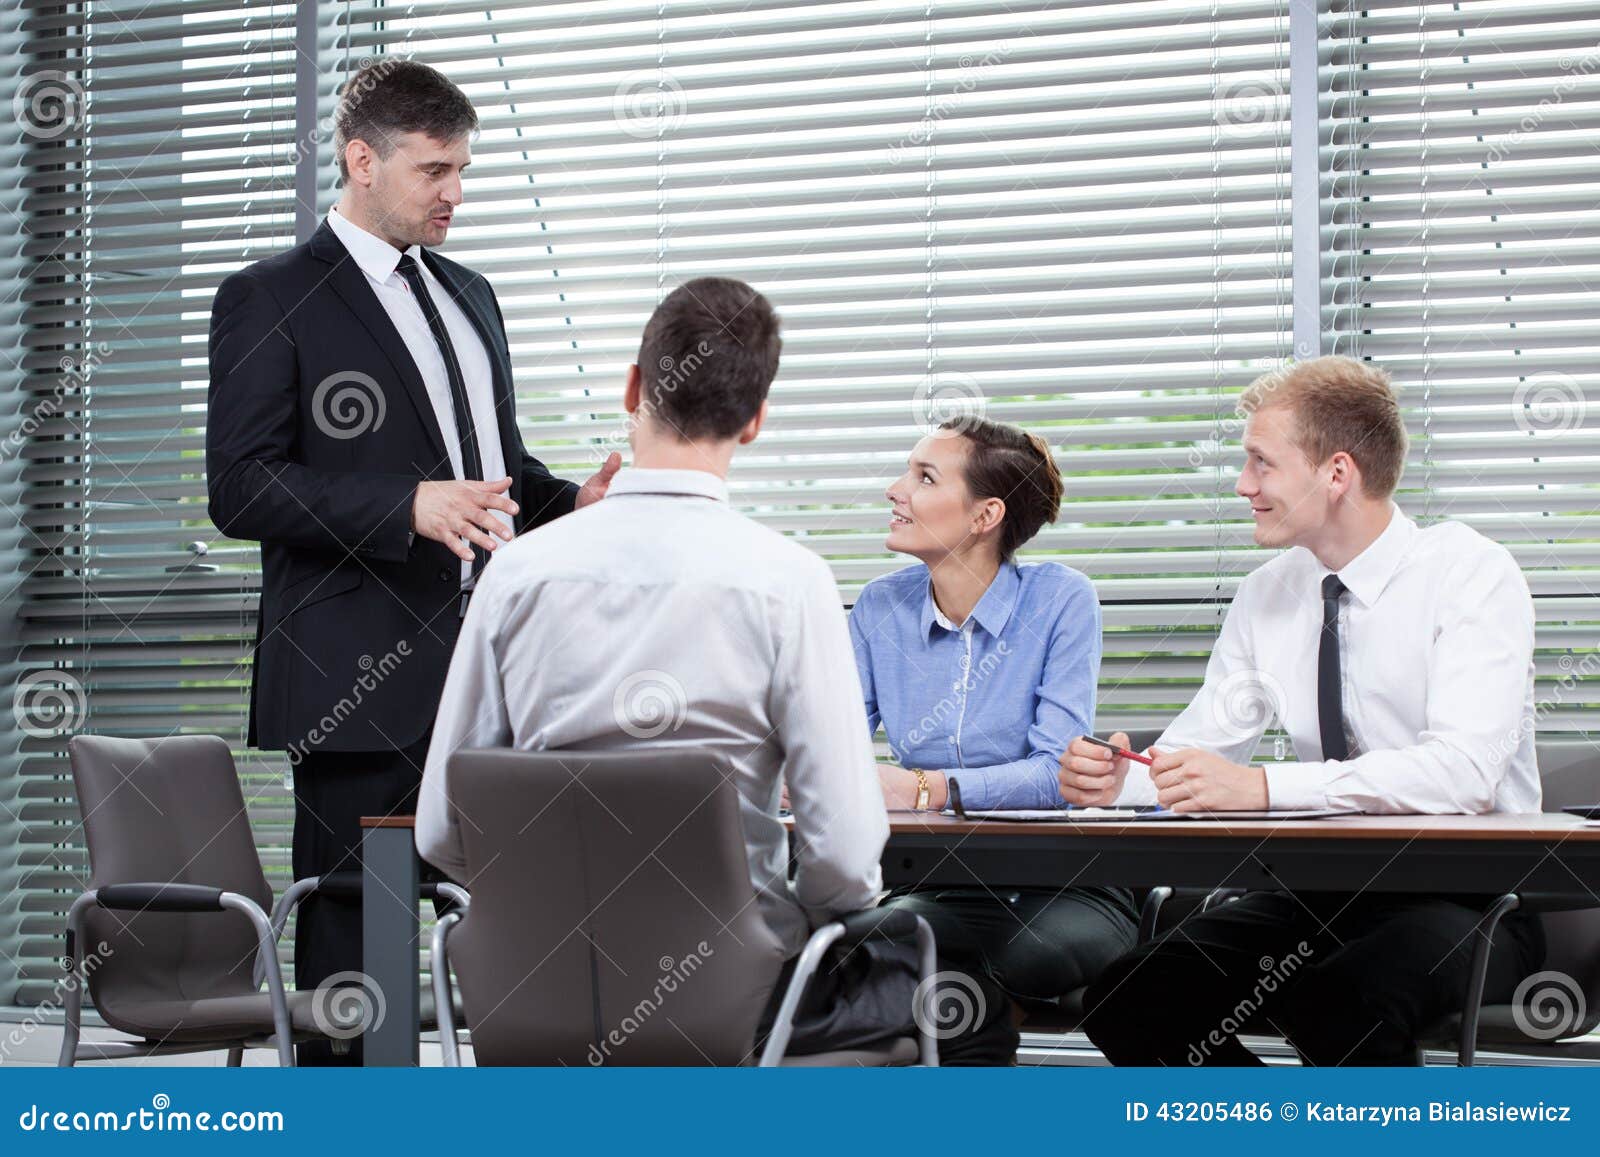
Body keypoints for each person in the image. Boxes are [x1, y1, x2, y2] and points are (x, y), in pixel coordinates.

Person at [415, 277, 1018, 1064]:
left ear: (636, 388)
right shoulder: (787, 580)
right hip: (738, 1006)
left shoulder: (516, 574)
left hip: (534, 993)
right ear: (756, 420)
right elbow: (841, 861)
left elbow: (440, 829)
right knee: (972, 1003)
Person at [205, 60, 618, 1064]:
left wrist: (576, 504)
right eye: (434, 168)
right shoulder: (271, 297)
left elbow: (495, 471)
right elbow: (242, 486)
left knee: (525, 935)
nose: (454, 192)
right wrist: (403, 506)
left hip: (494, 673)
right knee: (367, 960)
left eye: (462, 168)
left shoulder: (473, 295)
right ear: (361, 159)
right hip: (361, 683)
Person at [1060, 355, 1545, 1065]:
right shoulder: (1268, 593)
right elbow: (1206, 752)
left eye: (1261, 463)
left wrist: (1261, 789)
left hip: (1471, 901)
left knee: (1338, 1000)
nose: (1242, 483)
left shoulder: (1470, 574)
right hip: (1327, 896)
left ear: (1337, 473)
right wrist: (1121, 782)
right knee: (1133, 994)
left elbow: (1462, 774)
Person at [848, 418, 1138, 1004]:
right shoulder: (881, 605)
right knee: (857, 949)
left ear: (985, 517)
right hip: (937, 883)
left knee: (992, 964)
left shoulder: (1060, 600)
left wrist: (923, 787)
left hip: (1067, 884)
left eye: (924, 477)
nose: (895, 489)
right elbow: (829, 746)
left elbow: (1053, 775)